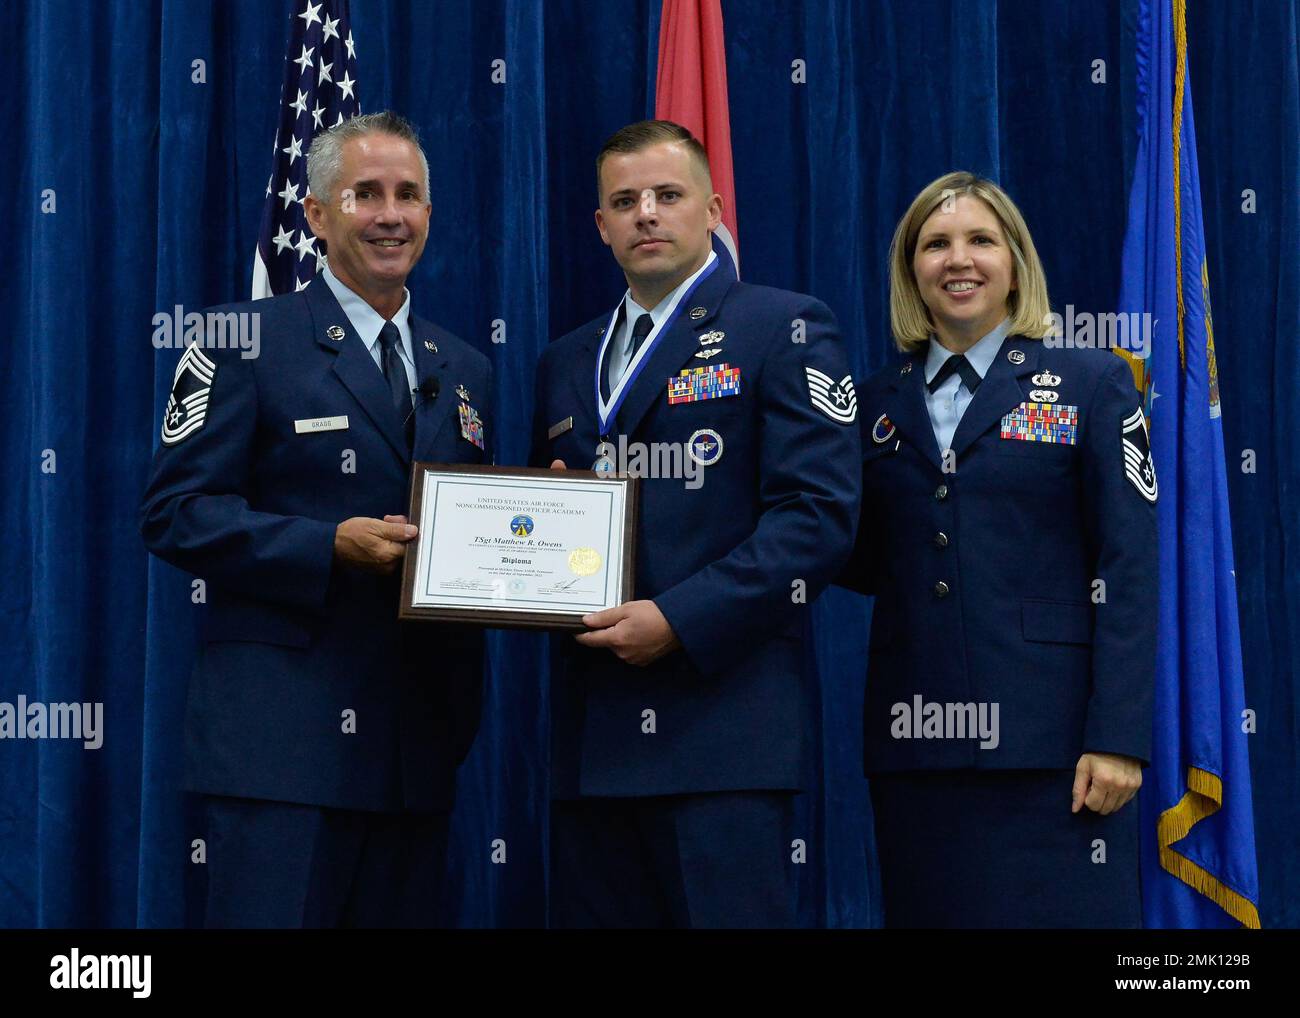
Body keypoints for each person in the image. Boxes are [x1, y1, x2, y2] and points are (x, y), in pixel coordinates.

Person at [140, 112, 492, 928]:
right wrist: (324, 546)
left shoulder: (465, 366)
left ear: (432, 215)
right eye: (365, 193)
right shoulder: (241, 342)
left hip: (418, 748)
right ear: (318, 213)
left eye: (409, 195)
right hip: (284, 753)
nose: (391, 214)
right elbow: (174, 513)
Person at [531, 120, 861, 928]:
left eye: (667, 195)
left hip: (723, 736)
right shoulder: (564, 359)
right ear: (600, 226)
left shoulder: (783, 326)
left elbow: (818, 521)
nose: (647, 213)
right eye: (625, 201)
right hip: (593, 740)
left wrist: (678, 619)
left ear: (712, 209)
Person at [841, 171, 1157, 927]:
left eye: (981, 240)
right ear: (909, 269)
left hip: (1055, 754)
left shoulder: (1091, 381)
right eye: (936, 243)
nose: (959, 259)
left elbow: (1130, 567)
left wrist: (1117, 739)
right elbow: (844, 550)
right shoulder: (873, 402)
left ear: (1014, 261)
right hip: (917, 747)